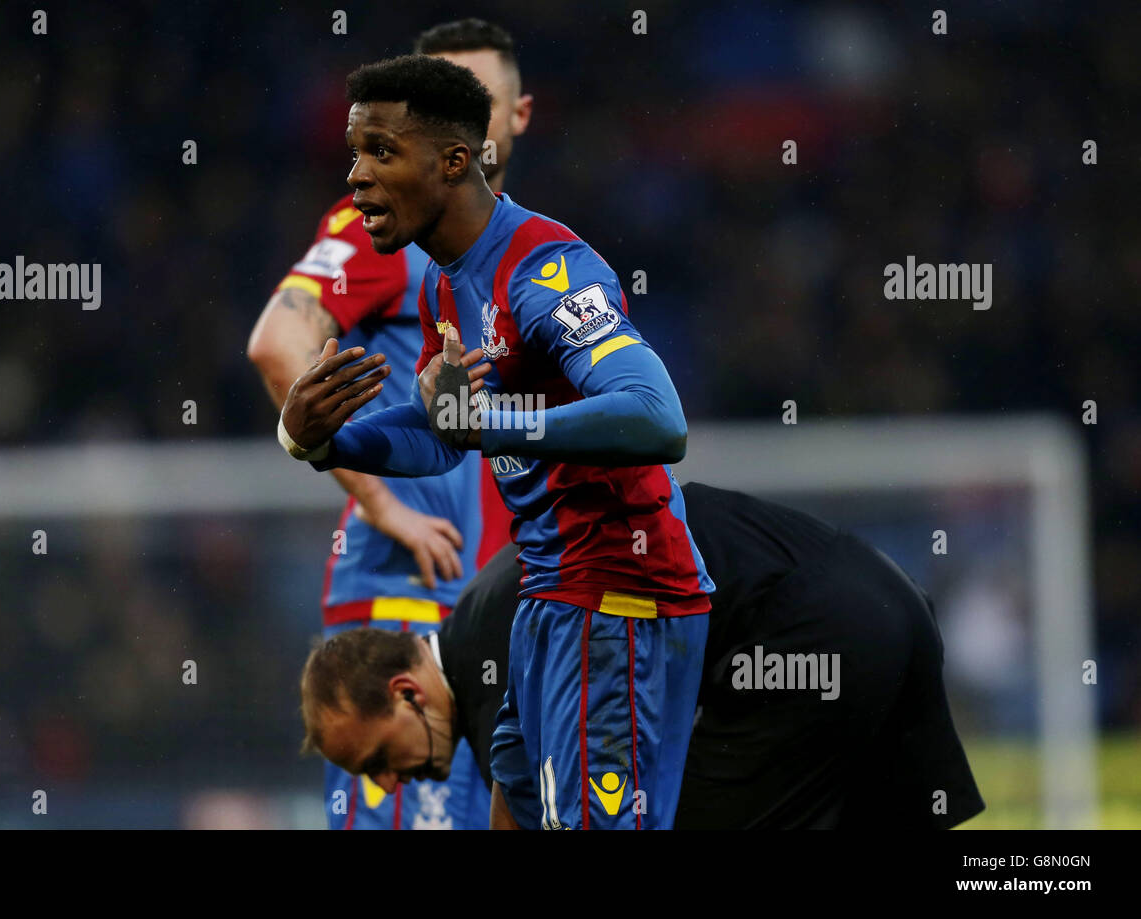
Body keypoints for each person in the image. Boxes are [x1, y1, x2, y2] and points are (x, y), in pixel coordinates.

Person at [278, 54, 714, 829]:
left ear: (452, 161)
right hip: (545, 600)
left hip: (617, 595)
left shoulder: (544, 267)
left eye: (380, 151)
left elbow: (656, 415)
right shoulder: (445, 282)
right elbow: (438, 440)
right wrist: (325, 442)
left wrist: (496, 424)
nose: (355, 177)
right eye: (354, 153)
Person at [300, 483, 987, 829]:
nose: (390, 785)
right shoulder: (494, 617)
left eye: (377, 759)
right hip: (889, 601)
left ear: (406, 692)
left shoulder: (500, 641)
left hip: (814, 632)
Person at [246, 20, 531, 830]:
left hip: (483, 614)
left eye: (478, 101)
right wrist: (382, 504)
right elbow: (277, 341)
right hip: (407, 600)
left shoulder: (522, 254)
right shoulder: (383, 227)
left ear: (516, 117)